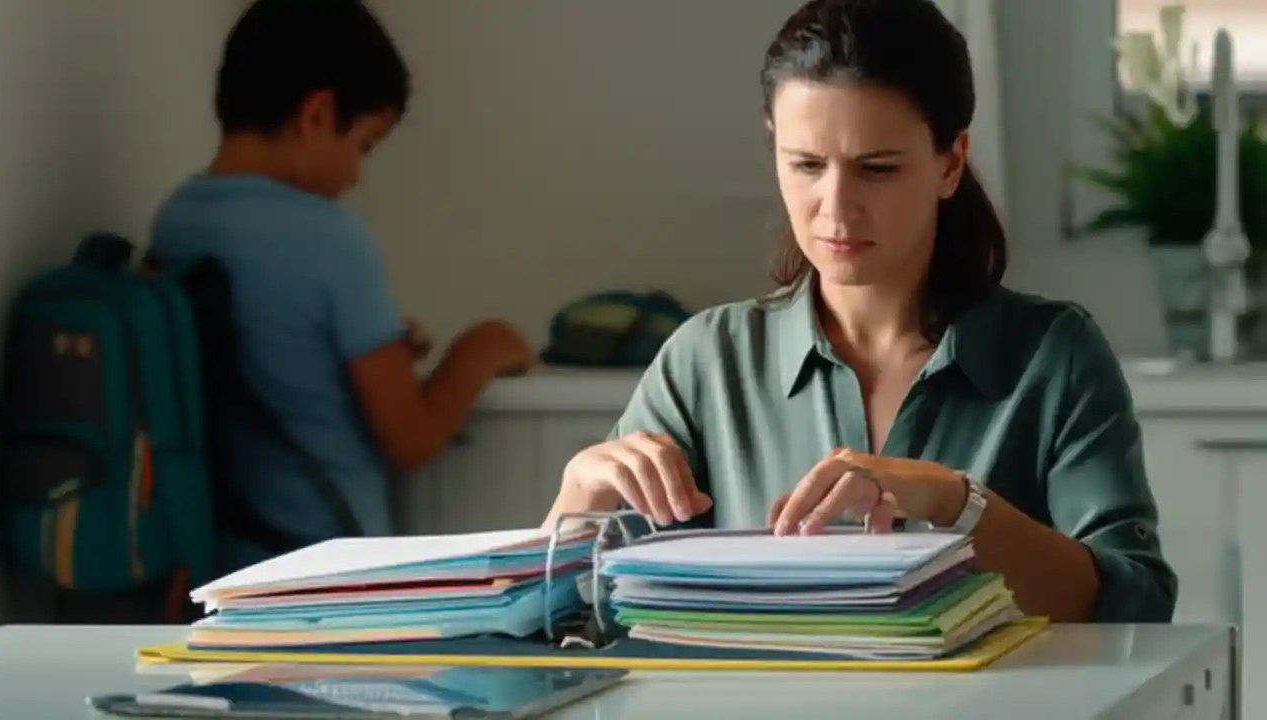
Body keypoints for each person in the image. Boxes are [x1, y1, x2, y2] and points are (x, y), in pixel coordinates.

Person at [544, 0, 1176, 623]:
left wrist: (956, 503)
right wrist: (577, 498)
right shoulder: (706, 360)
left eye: (877, 170)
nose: (837, 208)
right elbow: (561, 623)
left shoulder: (1053, 356)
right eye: (807, 165)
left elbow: (1135, 604)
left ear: (950, 162)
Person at [151, 0, 534, 571]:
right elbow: (410, 438)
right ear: (317, 114)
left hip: (224, 560)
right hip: (327, 567)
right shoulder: (329, 237)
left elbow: (263, 349)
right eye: (363, 145)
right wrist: (481, 349)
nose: (356, 174)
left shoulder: (177, 220)